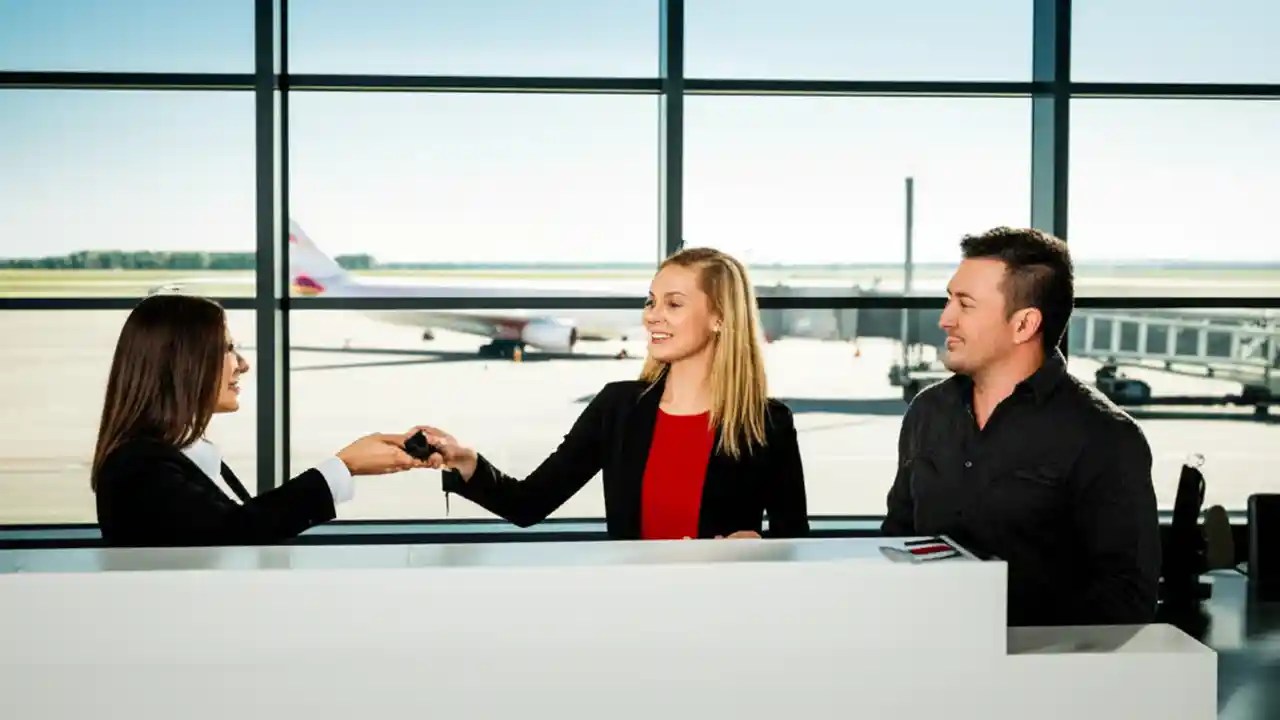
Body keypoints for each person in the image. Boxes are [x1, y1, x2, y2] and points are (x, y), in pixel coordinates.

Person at [414, 247, 809, 540]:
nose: (652, 315)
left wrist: (757, 546)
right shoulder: (617, 407)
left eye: (674, 304)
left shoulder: (768, 423)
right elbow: (527, 503)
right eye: (651, 301)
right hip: (632, 612)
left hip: (725, 619)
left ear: (720, 317)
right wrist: (468, 463)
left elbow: (794, 538)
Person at [882, 227, 1160, 626]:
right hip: (930, 657)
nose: (945, 319)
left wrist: (999, 625)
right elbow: (897, 536)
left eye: (965, 304)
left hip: (1040, 675)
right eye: (949, 300)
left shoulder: (1104, 436)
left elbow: (1127, 598)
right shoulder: (928, 412)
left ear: (1024, 324)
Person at [92, 293, 427, 547]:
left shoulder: (173, 455)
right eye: (227, 349)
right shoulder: (138, 468)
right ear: (183, 363)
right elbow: (236, 533)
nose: (241, 364)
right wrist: (343, 467)